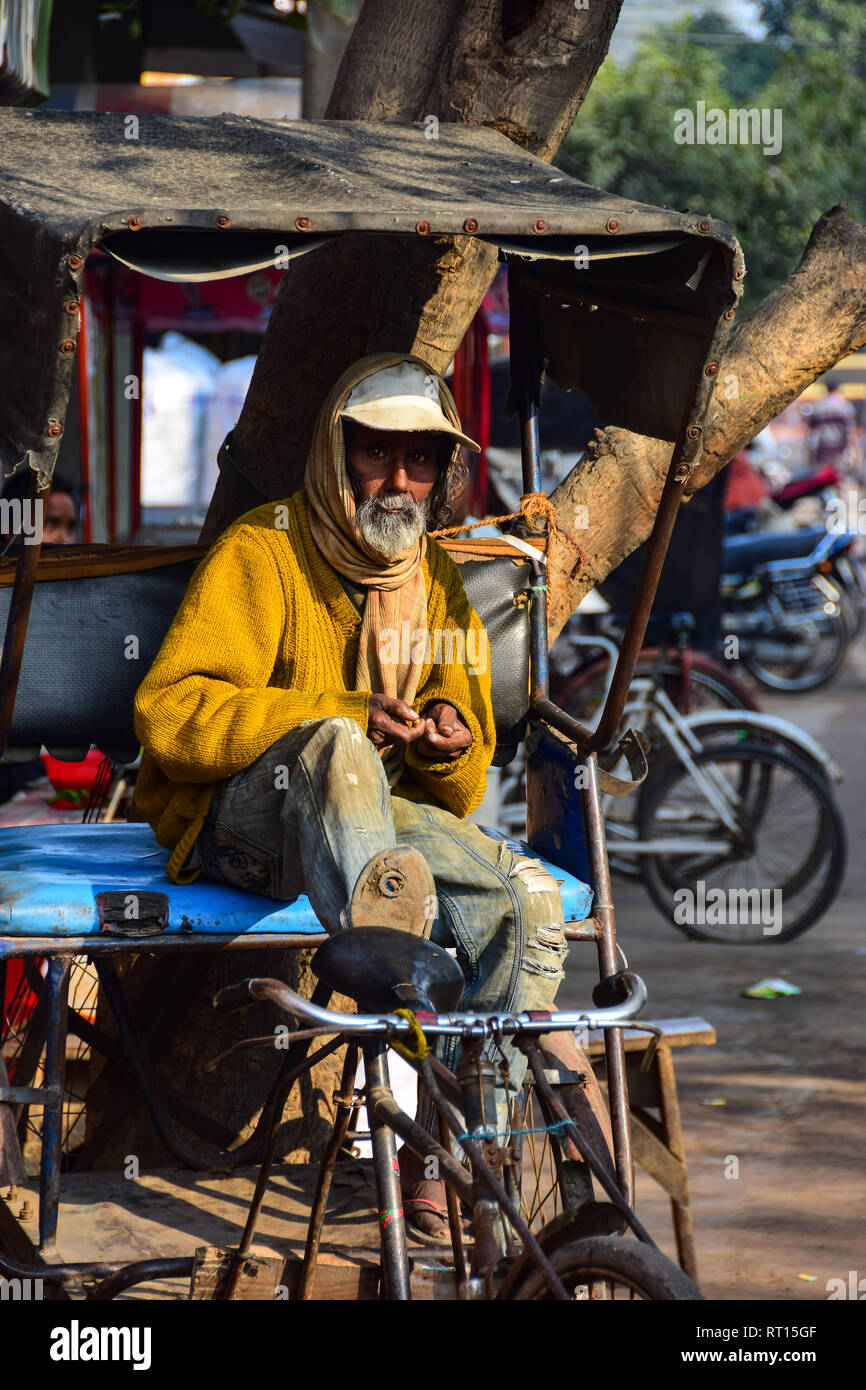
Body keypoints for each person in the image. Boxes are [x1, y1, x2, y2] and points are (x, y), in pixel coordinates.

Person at [133, 353, 574, 1240]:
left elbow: (459, 782)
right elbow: (169, 712)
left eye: (419, 462)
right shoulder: (263, 550)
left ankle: (448, 1155)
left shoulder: (436, 581)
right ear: (338, 455)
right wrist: (340, 713)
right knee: (337, 746)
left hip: (379, 826)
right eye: (378, 457)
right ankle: (394, 966)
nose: (399, 482)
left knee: (522, 900)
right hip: (249, 827)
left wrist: (448, 734)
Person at [0, 470, 80, 805]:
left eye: (70, 527)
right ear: (11, 526)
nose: (64, 539)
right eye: (51, 523)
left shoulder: (58, 602)